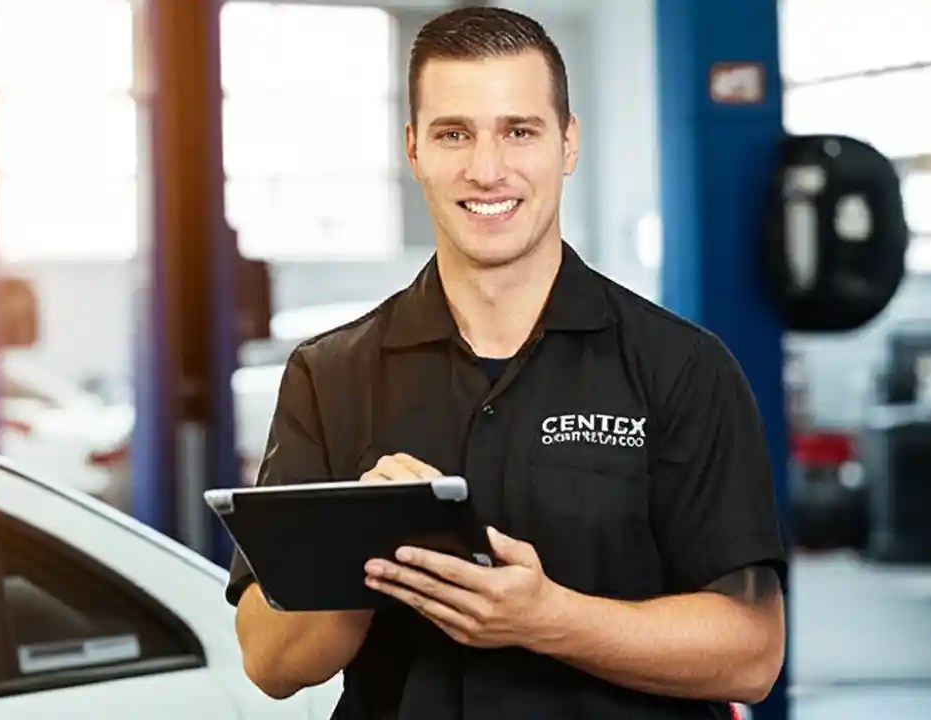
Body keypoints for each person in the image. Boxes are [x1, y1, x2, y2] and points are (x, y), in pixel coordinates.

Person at [226, 6, 787, 719]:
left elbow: (752, 653)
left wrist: (547, 618)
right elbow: (269, 663)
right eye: (453, 133)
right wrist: (361, 542)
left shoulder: (681, 368)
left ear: (567, 143)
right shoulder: (331, 375)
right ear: (414, 150)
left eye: (518, 131)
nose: (486, 170)